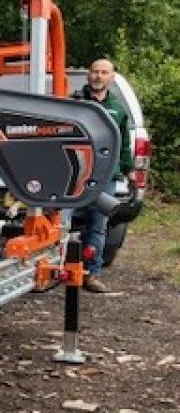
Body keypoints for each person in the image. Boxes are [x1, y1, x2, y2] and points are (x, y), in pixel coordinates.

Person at [72, 58, 134, 293]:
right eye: (94, 71)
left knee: (98, 227)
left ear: (111, 77)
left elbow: (124, 145)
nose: (98, 76)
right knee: (61, 224)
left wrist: (128, 172)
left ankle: (91, 274)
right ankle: (53, 270)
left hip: (105, 177)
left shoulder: (118, 109)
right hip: (73, 176)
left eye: (103, 72)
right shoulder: (75, 103)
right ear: (89, 76)